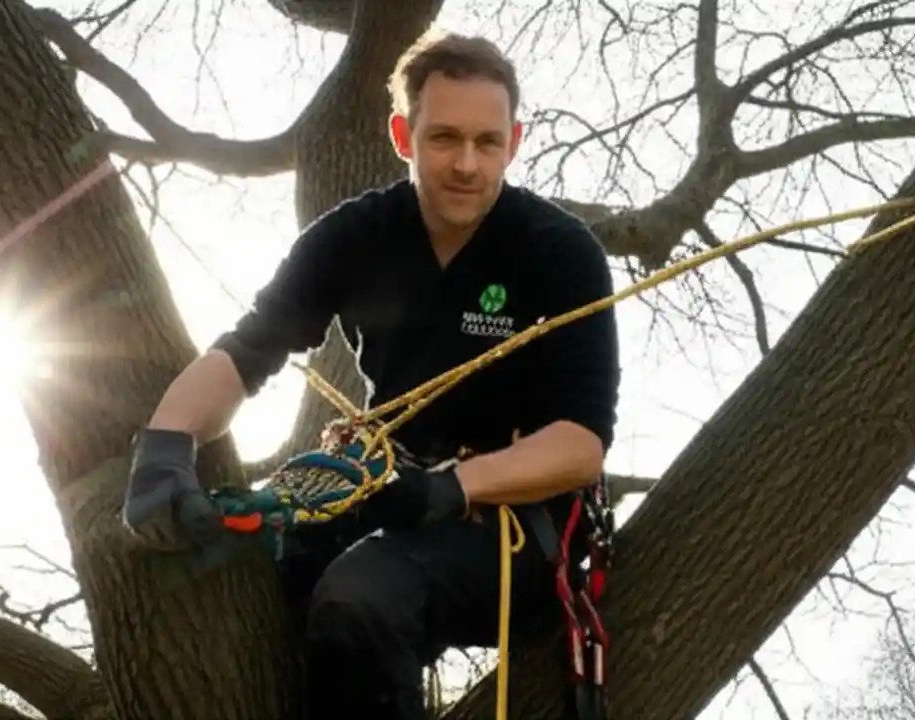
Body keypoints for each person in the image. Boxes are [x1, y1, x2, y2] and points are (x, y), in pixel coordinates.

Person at [122, 31, 621, 719]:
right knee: (224, 563)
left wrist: (451, 489)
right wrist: (165, 449)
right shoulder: (354, 237)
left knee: (361, 595)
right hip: (389, 492)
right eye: (444, 138)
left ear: (516, 141)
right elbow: (249, 350)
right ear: (402, 135)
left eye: (488, 141)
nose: (468, 164)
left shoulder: (560, 254)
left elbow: (581, 442)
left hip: (513, 534)